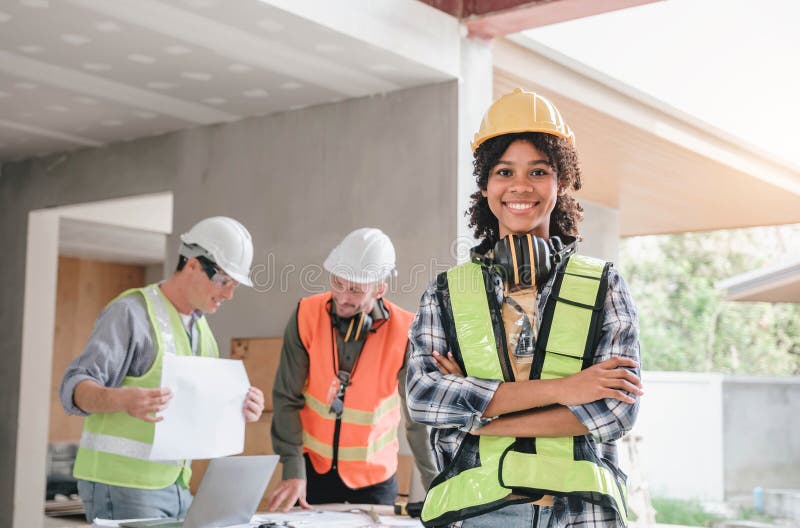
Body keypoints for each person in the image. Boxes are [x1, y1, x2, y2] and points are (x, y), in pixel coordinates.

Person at [405, 89, 644, 528]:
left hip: (581, 514)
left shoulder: (604, 284)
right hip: (478, 513)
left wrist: (481, 418)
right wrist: (567, 390)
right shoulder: (447, 293)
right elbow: (423, 397)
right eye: (504, 171)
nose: (520, 186)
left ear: (561, 183)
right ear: (486, 186)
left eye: (538, 171)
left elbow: (616, 410)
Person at [60, 216, 265, 522]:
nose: (228, 294)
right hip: (122, 484)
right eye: (224, 281)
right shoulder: (130, 313)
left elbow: (195, 408)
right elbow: (73, 388)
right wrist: (123, 400)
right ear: (193, 265)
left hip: (177, 483)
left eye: (234, 285)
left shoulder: (201, 329)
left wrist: (241, 407)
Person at [267, 227, 438, 511]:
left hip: (375, 480)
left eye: (356, 289)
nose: (343, 297)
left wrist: (436, 484)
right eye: (338, 283)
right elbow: (286, 398)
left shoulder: (405, 332)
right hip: (313, 473)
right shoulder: (305, 315)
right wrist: (292, 467)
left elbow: (418, 418)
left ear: (379, 288)